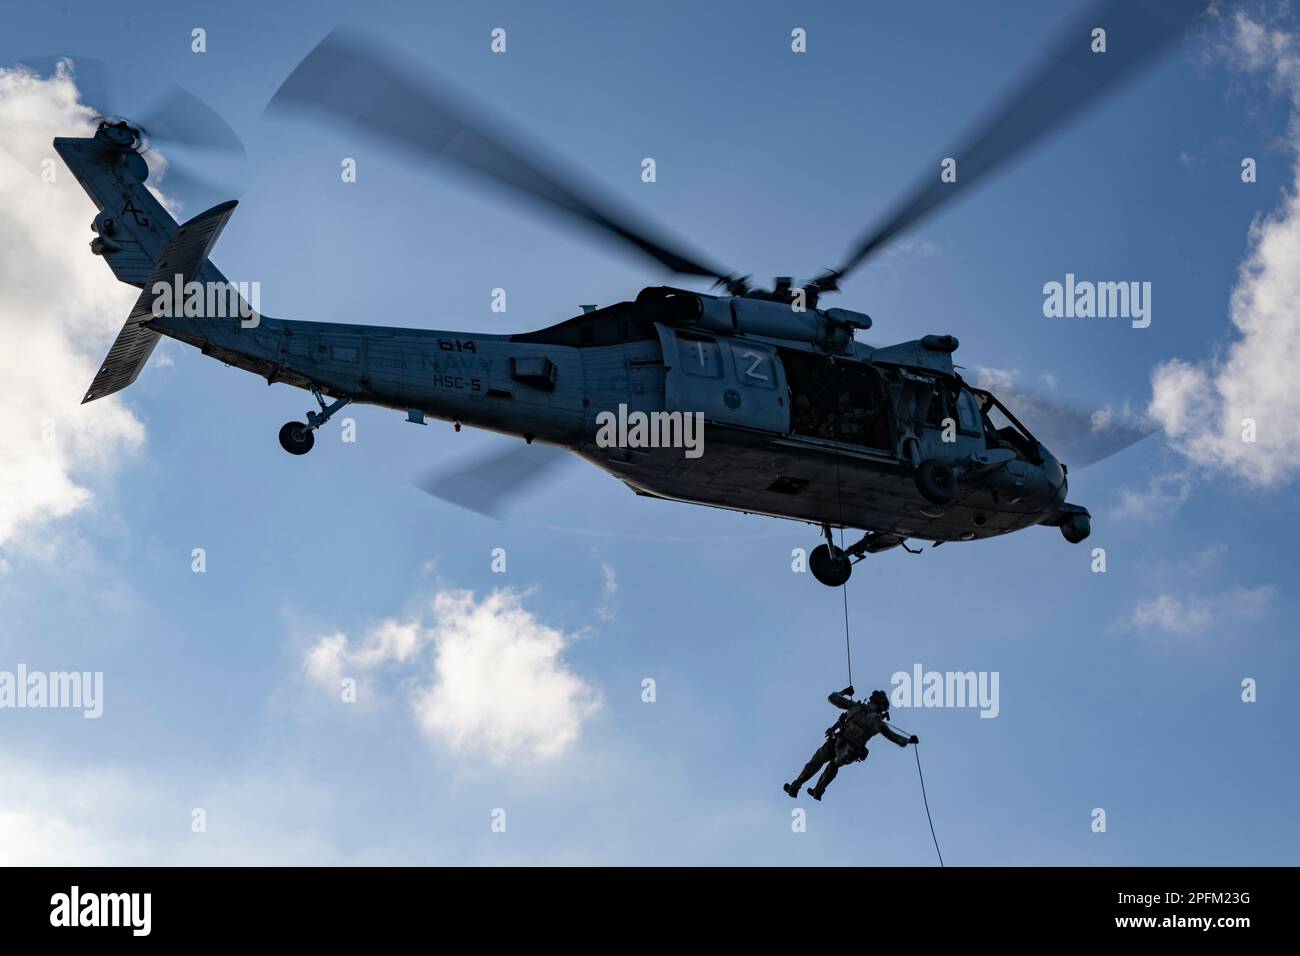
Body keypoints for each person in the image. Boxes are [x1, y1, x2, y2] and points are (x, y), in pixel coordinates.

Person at [783, 686, 918, 801]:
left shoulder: (857, 707)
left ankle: (795, 787)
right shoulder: (878, 723)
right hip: (850, 752)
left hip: (839, 742)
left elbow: (832, 698)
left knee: (816, 762)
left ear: (872, 701)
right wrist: (908, 741)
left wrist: (844, 692)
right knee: (833, 766)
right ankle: (817, 791)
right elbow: (894, 738)